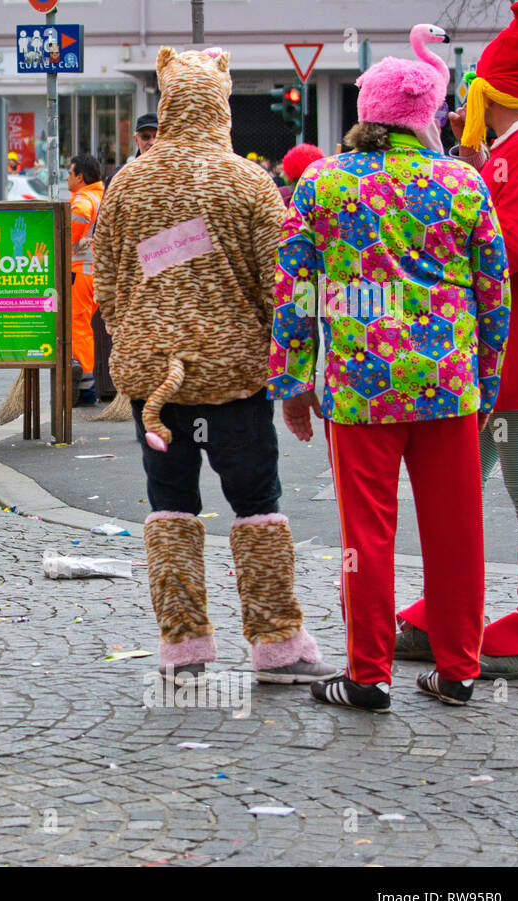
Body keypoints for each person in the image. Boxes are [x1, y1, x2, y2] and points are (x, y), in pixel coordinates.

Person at [271, 54, 510, 711]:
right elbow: (494, 292)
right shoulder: (462, 185)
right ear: (427, 115)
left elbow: (295, 290)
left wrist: (293, 382)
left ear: (365, 113)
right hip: (446, 384)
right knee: (457, 530)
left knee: (365, 536)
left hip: (359, 387)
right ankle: (460, 669)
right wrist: (486, 380)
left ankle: (368, 674)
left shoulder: (321, 184)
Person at [93, 46, 337, 686]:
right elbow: (278, 283)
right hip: (232, 374)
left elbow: (108, 281)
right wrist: (283, 360)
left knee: (169, 505)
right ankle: (278, 641)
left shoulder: (129, 183)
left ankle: (184, 644)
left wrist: (134, 337)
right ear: (221, 105)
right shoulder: (248, 182)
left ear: (169, 104)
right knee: (256, 502)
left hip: (157, 382)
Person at [395, 1, 518, 679]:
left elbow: (517, 246)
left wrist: (450, 231)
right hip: (503, 350)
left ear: (490, 90)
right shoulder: (515, 149)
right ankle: (454, 607)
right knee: (465, 480)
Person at [68, 154, 105, 406]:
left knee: (78, 326)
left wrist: (63, 237)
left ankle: (86, 388)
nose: (67, 179)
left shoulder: (82, 199)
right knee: (85, 325)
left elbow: (76, 221)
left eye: (69, 174)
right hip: (98, 273)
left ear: (80, 177)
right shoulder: (102, 195)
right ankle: (87, 384)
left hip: (82, 271)